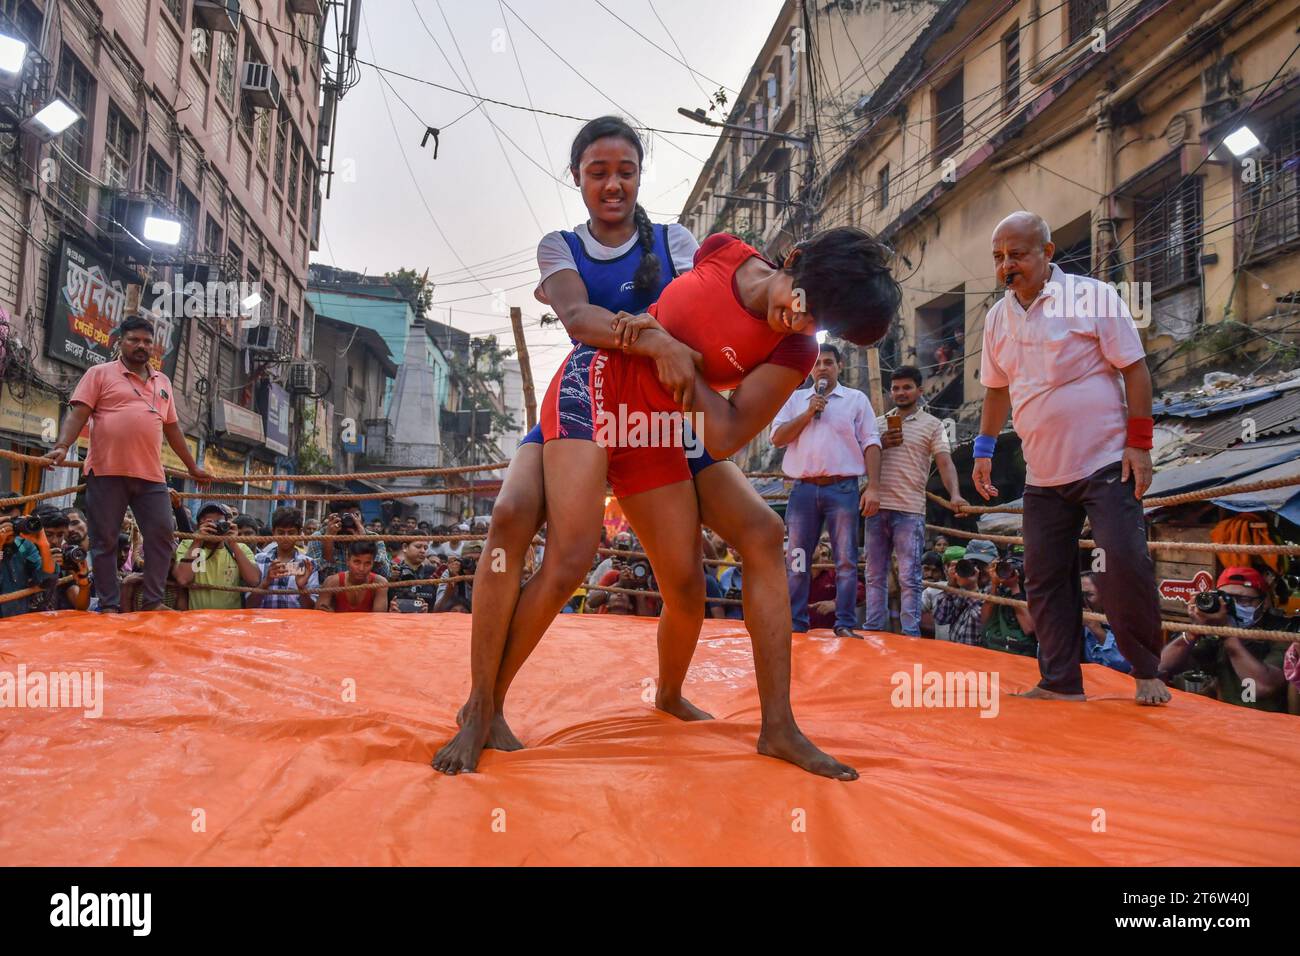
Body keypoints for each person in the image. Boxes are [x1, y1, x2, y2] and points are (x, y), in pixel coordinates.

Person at [449, 226, 898, 779]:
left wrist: (684, 367)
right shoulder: (723, 248)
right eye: (804, 304)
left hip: (660, 429)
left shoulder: (796, 349)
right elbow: (616, 316)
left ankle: (775, 725)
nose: (801, 321)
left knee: (691, 577)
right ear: (795, 260)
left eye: (816, 322)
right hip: (598, 384)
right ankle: (482, 708)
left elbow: (727, 434)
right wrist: (657, 341)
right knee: (571, 556)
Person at [974, 210, 1168, 704]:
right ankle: (1061, 681)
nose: (1006, 265)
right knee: (1042, 575)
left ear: (1047, 253)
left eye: (1016, 254)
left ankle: (1147, 671)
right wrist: (984, 450)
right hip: (1043, 474)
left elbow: (1135, 369)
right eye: (998, 257)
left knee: (1121, 563)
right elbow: (996, 391)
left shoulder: (1092, 295)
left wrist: (1139, 444)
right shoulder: (996, 318)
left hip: (1106, 461)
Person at [40, 316, 213, 611]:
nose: (141, 346)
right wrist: (61, 446)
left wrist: (192, 467)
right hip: (106, 472)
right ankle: (109, 605)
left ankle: (154, 602)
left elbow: (172, 429)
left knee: (162, 537)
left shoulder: (163, 382)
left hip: (151, 476)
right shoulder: (99, 373)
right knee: (104, 541)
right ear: (119, 341)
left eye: (147, 341)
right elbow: (78, 414)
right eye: (134, 340)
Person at [770, 342, 881, 638]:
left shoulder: (856, 400)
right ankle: (796, 623)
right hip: (803, 489)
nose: (822, 368)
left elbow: (872, 441)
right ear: (810, 369)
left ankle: (844, 623)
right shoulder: (794, 400)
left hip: (843, 488)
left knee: (845, 559)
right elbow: (778, 437)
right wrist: (808, 414)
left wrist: (874, 487)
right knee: (797, 559)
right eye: (818, 363)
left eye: (829, 362)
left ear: (840, 366)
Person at [866, 364, 967, 636]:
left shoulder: (934, 426)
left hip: (910, 510)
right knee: (875, 576)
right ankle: (873, 629)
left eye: (907, 387)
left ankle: (911, 635)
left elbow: (945, 463)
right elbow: (861, 461)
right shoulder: (876, 424)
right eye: (896, 388)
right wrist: (881, 443)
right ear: (890, 392)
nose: (901, 392)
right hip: (876, 507)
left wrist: (955, 494)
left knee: (910, 577)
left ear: (919, 391)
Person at [1158, 567, 1294, 711]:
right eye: (1227, 599)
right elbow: (1161, 667)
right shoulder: (1216, 632)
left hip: (1271, 726)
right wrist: (1195, 630)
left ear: (1264, 602)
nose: (1233, 607)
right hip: (1226, 722)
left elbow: (1263, 686)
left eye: (1243, 600)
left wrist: (1227, 633)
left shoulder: (1282, 632)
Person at [173, 502, 260, 610]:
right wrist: (197, 541)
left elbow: (254, 580)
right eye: (210, 523)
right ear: (200, 525)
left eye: (219, 522)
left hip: (230, 622)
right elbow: (183, 579)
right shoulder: (189, 545)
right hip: (196, 621)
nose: (215, 527)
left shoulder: (240, 548)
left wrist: (233, 544)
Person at [251, 506, 318, 610]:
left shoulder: (308, 563)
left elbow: (311, 608)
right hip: (264, 623)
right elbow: (249, 605)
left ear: (299, 533)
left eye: (291, 532)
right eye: (281, 532)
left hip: (295, 624)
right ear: (273, 532)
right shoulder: (259, 560)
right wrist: (266, 582)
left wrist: (301, 588)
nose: (285, 537)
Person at [28, 507, 92, 612]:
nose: (54, 541)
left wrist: (83, 582)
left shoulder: (62, 559)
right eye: (48, 534)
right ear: (33, 533)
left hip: (49, 623)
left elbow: (80, 605)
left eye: (60, 535)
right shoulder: (20, 555)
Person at [309, 500, 390, 580]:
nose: (350, 520)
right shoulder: (318, 537)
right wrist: (328, 542)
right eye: (345, 516)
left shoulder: (373, 538)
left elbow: (384, 574)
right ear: (334, 516)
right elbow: (316, 577)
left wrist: (364, 543)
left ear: (361, 516)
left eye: (355, 515)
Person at [0, 510, 58, 617]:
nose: (9, 528)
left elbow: (47, 581)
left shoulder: (24, 545)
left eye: (13, 521)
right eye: (4, 522)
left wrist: (44, 545)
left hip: (19, 623)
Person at [980, 555, 1037, 657]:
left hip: (1020, 655)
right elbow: (984, 619)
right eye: (1004, 569)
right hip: (995, 650)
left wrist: (1015, 588)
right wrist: (994, 585)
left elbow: (1029, 629)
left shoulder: (1033, 592)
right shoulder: (1000, 590)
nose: (1007, 572)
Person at [1079, 572, 1133, 673]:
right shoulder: (1073, 618)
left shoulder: (1123, 621)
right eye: (1078, 595)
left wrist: (1096, 629)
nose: (1082, 601)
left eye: (1088, 595)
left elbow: (1123, 667)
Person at [318, 540, 387, 612]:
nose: (361, 568)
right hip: (338, 623)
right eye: (357, 562)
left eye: (367, 563)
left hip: (365, 623)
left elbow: (378, 619)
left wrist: (335, 616)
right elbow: (320, 615)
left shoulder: (380, 584)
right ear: (348, 561)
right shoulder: (332, 582)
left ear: (373, 563)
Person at [918, 550, 946, 638]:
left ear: (942, 573)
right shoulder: (910, 590)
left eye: (935, 571)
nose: (930, 574)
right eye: (926, 569)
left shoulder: (945, 592)